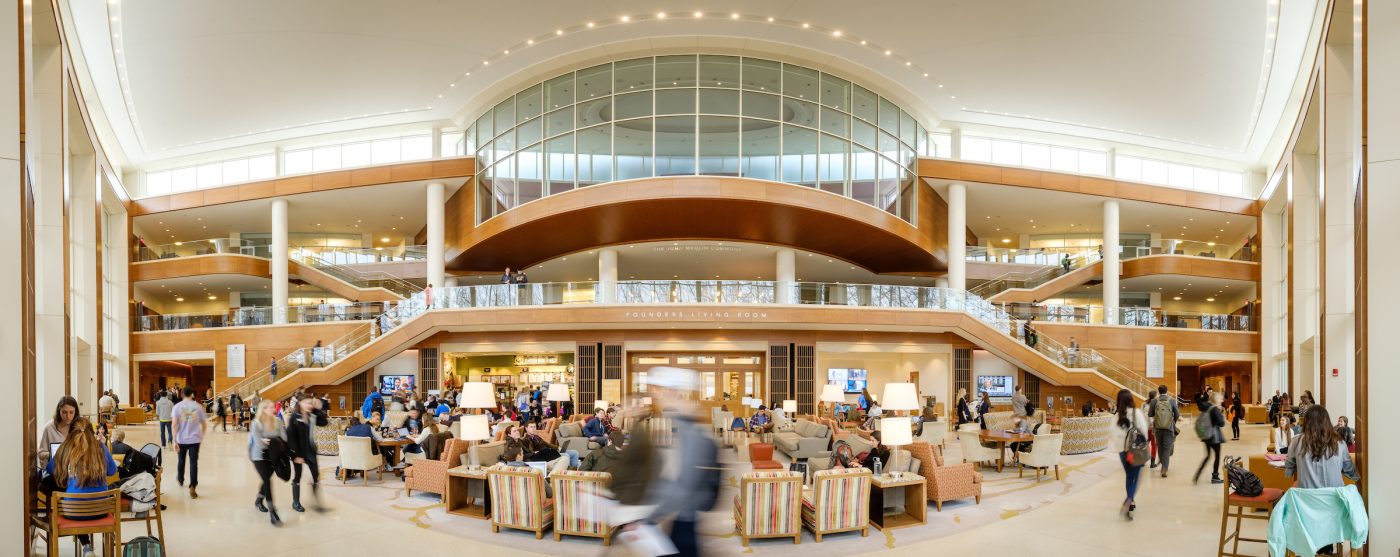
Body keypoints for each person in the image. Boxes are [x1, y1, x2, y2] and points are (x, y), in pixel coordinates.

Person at [642, 366, 720, 557]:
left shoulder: (689, 432)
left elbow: (682, 484)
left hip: (685, 512)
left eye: (657, 390)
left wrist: (648, 516)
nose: (655, 396)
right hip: (682, 515)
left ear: (672, 391)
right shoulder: (683, 425)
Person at [1285, 405, 1361, 555]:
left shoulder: (1296, 441)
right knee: (1327, 507)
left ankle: (1308, 542)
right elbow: (1350, 471)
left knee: (1295, 498)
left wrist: (1296, 466)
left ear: (1306, 421)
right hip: (1334, 508)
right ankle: (1327, 540)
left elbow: (1288, 471)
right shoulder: (1339, 443)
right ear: (1327, 421)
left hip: (1306, 508)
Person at [46, 417, 117, 557]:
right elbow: (113, 470)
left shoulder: (66, 447)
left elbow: (50, 469)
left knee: (70, 495)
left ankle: (87, 547)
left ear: (71, 433)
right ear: (92, 432)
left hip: (74, 512)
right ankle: (87, 548)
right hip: (100, 509)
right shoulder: (100, 447)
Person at [286, 396, 329, 513]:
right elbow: (290, 437)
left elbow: (324, 422)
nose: (309, 405)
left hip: (310, 451)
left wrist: (318, 409)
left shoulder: (312, 415)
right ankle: (296, 502)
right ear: (300, 403)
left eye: (311, 403)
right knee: (298, 476)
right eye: (307, 403)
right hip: (298, 452)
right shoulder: (294, 417)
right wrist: (295, 456)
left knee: (316, 476)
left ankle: (317, 503)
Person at [1110, 389, 1148, 520]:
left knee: (1129, 476)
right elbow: (1143, 431)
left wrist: (1122, 448)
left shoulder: (1116, 416)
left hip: (1122, 452)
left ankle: (1131, 502)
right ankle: (1128, 500)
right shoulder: (1137, 413)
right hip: (1136, 451)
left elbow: (1113, 435)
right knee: (1136, 478)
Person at [248, 400, 286, 526]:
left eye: (273, 407)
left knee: (266, 480)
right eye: (270, 407)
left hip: (273, 457)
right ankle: (273, 513)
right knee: (268, 481)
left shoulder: (278, 421)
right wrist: (274, 440)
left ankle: (259, 500)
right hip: (258, 456)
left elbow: (284, 438)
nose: (273, 409)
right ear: (263, 409)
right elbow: (259, 444)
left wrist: (269, 440)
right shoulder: (256, 423)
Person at [172, 387, 209, 497]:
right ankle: (193, 485)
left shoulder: (177, 407)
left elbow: (174, 425)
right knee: (193, 463)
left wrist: (174, 441)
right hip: (194, 440)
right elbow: (204, 424)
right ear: (192, 394)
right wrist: (201, 436)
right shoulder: (198, 407)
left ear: (182, 394)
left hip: (181, 440)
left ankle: (180, 479)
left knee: (181, 460)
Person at [1193, 391, 1226, 485]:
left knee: (1207, 456)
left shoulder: (1205, 407)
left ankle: (1198, 473)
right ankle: (1215, 477)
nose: (1222, 400)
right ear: (1216, 399)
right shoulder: (1215, 409)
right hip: (1214, 436)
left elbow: (1199, 401)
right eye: (1220, 398)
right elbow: (1221, 423)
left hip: (1206, 436)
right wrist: (1221, 414)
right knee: (1217, 455)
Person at [1146, 384, 1179, 477]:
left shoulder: (1154, 401)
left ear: (1159, 391)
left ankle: (1162, 463)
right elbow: (1177, 414)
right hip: (1169, 428)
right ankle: (1164, 468)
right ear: (1167, 391)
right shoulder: (1172, 400)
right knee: (1167, 448)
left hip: (1158, 428)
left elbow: (1150, 414)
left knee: (1160, 447)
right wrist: (1173, 422)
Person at [38, 396, 80, 466]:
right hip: (56, 470)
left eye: (71, 412)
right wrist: (54, 454)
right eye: (64, 412)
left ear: (76, 412)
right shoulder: (49, 428)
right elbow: (41, 454)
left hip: (76, 469)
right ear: (59, 411)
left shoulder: (79, 427)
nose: (68, 416)